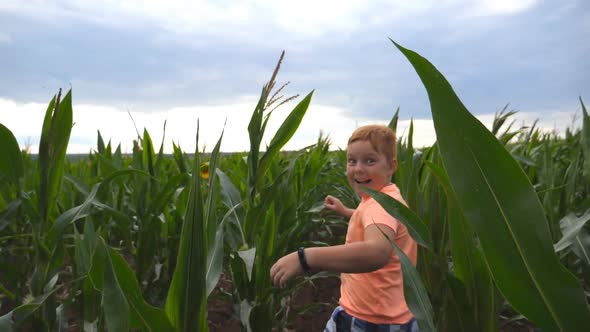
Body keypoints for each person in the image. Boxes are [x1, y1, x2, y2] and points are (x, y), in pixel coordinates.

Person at [270, 125, 418, 332]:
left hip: (370, 320)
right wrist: (346, 211)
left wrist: (305, 258)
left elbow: (377, 252)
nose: (358, 168)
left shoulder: (379, 206)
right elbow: (376, 225)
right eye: (352, 161)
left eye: (370, 161)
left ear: (392, 166)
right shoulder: (386, 198)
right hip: (389, 314)